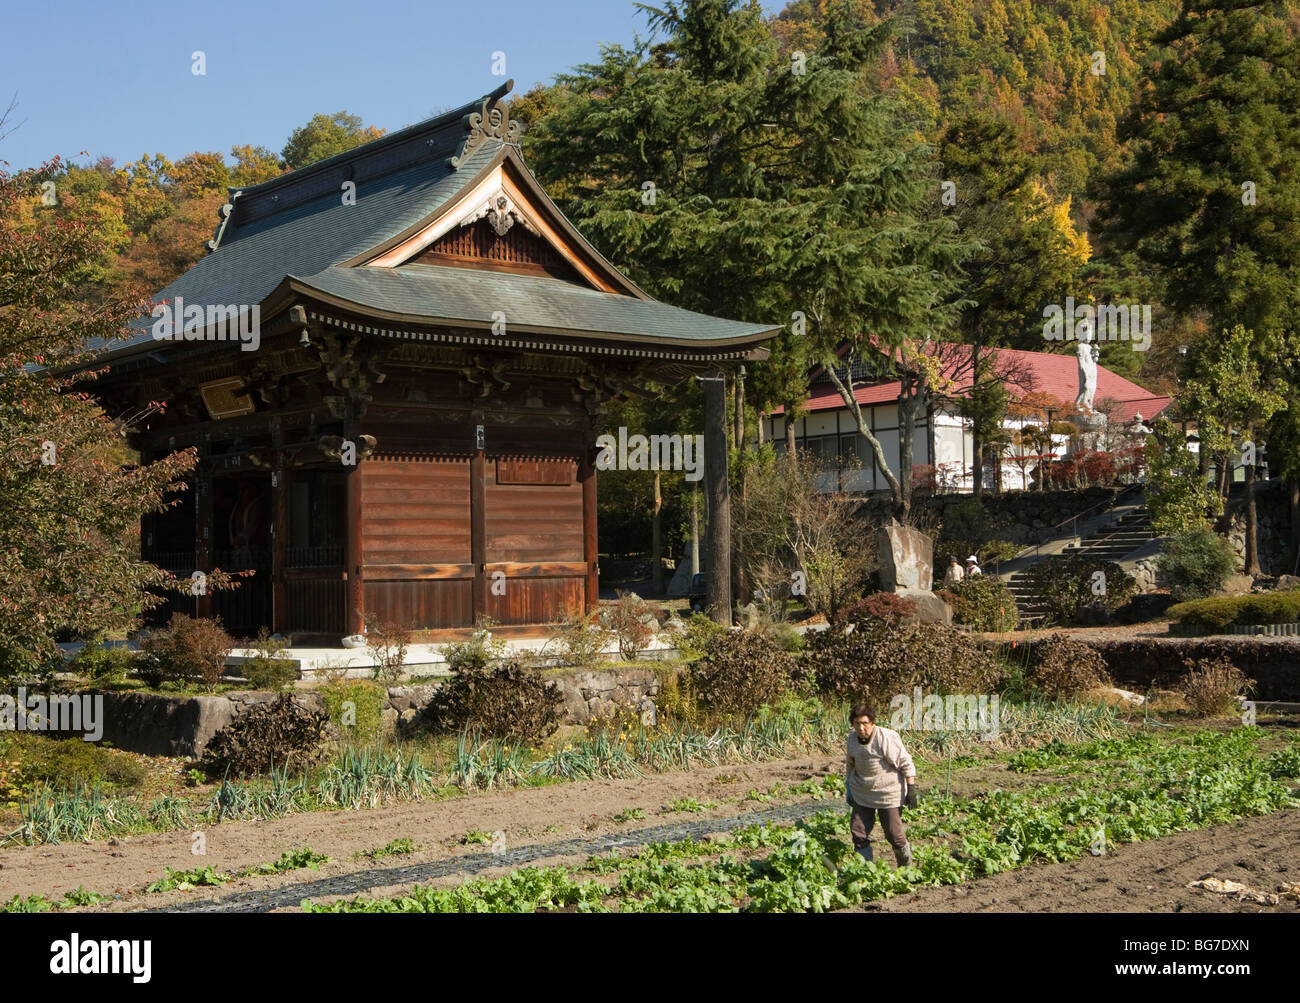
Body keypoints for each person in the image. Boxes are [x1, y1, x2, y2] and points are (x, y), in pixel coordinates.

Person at [844, 704, 916, 866]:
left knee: (893, 834)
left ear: (872, 723)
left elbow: (905, 762)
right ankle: (865, 870)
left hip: (888, 793)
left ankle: (906, 866)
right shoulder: (852, 739)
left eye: (864, 723)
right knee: (859, 832)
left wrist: (911, 788)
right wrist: (849, 786)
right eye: (857, 723)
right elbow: (850, 764)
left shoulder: (886, 738)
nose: (861, 728)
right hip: (862, 793)